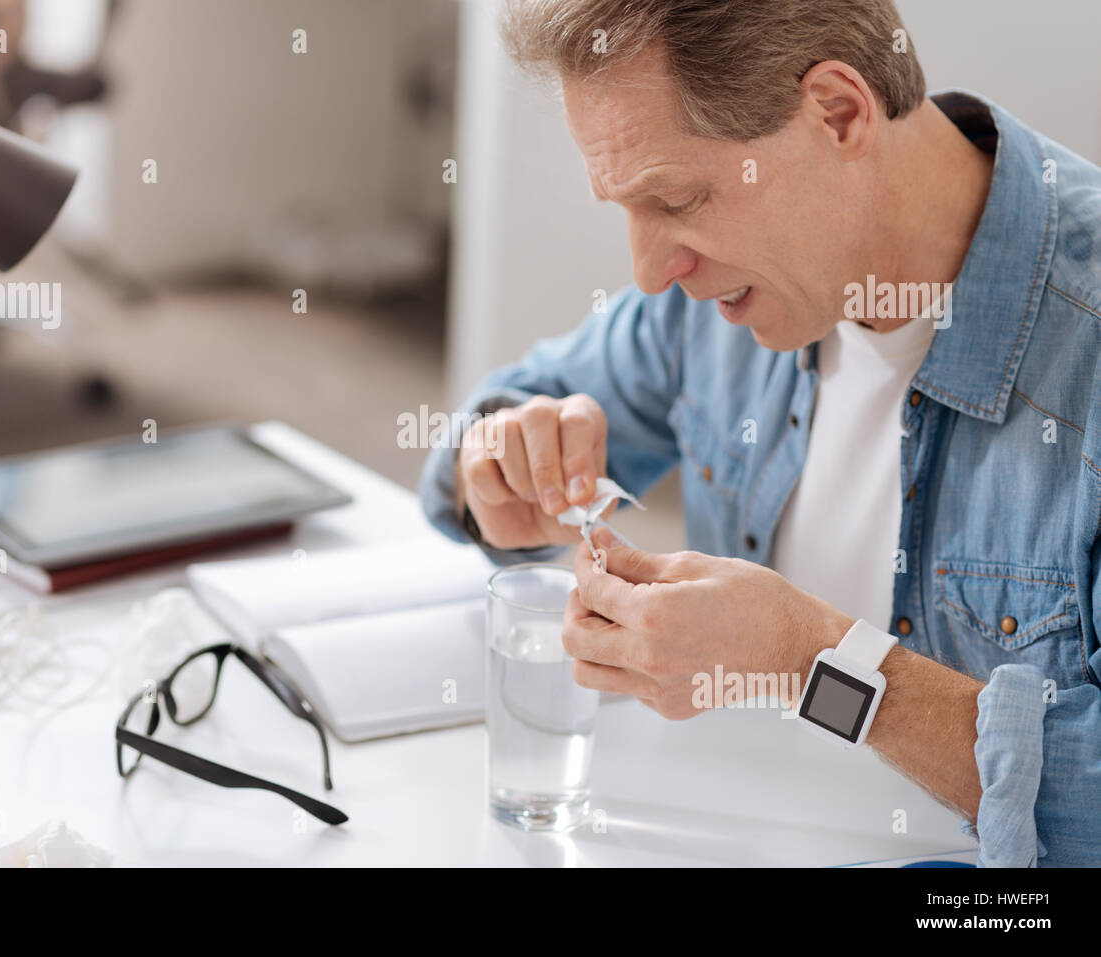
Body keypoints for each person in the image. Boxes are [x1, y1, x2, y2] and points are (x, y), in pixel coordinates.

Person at [420, 0, 1101, 867]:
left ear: (838, 113)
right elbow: (488, 429)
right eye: (625, 207)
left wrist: (809, 661)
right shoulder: (719, 305)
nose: (650, 272)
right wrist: (497, 467)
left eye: (676, 198)